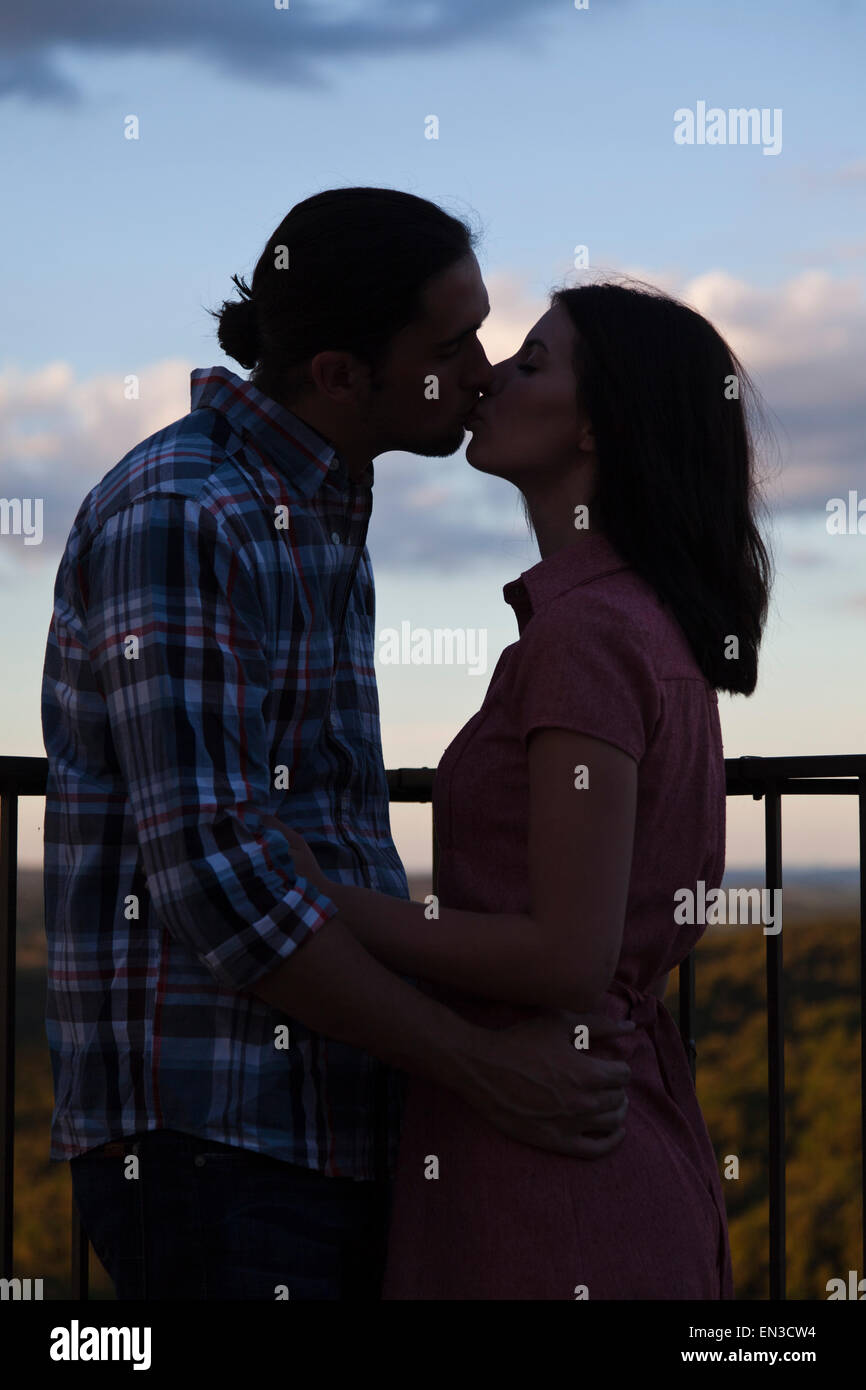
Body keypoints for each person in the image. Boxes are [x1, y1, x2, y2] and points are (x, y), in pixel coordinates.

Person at [42, 187, 635, 1302]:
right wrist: (480, 1070)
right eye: (448, 345)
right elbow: (219, 880)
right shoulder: (187, 513)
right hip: (216, 1146)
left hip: (314, 1128)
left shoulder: (315, 514)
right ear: (337, 373)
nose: (480, 369)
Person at [279, 280, 773, 1299]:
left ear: (595, 426)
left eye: (532, 362)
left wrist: (320, 901)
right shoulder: (637, 619)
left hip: (547, 1173)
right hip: (598, 1132)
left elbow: (563, 952)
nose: (490, 377)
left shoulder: (584, 636)